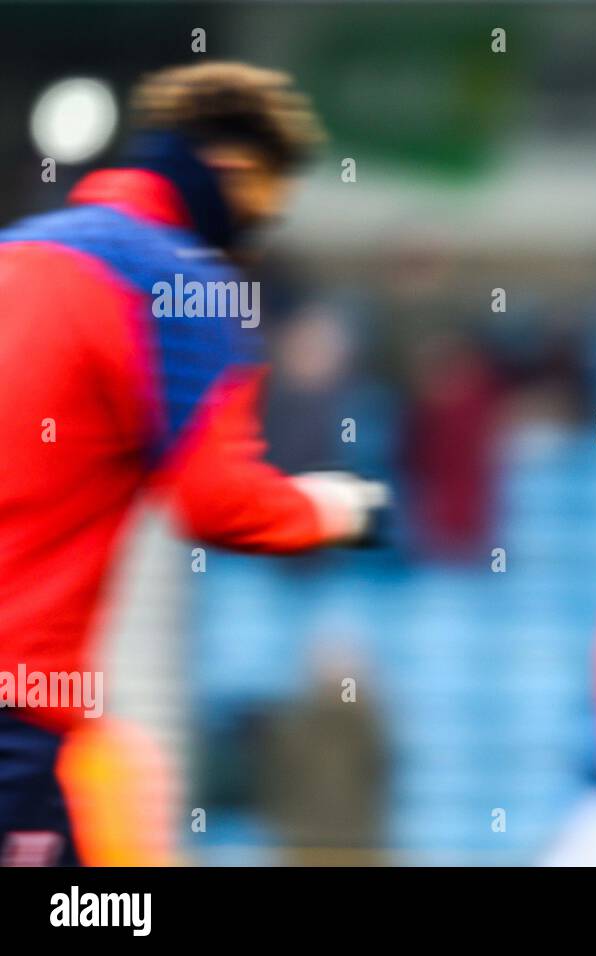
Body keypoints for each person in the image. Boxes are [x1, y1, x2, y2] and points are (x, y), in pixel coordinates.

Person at [0, 62, 385, 866]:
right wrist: (338, 511)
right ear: (238, 168)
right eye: (265, 207)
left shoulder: (18, 250)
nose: (257, 235)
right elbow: (218, 503)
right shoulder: (177, 282)